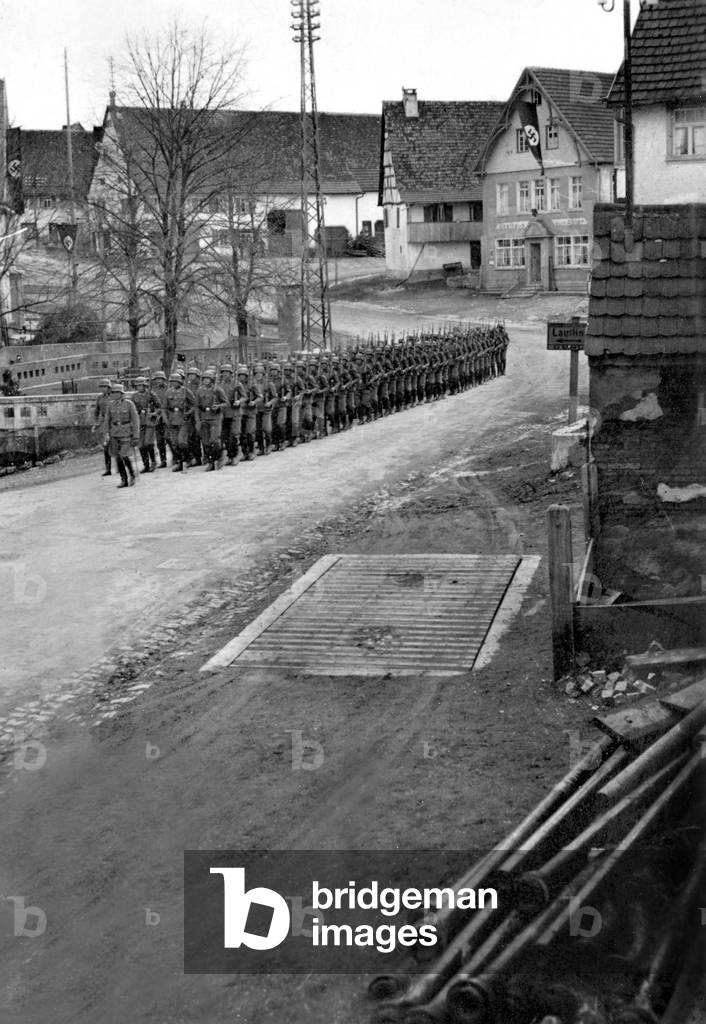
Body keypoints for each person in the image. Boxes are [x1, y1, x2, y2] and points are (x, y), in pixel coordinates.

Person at [105, 383, 140, 488]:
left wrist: (136, 436)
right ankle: (123, 479)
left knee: (124, 455)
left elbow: (136, 420)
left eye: (117, 393)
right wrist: (106, 434)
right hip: (114, 434)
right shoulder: (110, 405)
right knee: (117, 457)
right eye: (113, 393)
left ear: (121, 394)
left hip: (126, 433)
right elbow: (107, 420)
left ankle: (132, 475)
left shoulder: (129, 404)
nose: (114, 395)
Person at [194, 369, 228, 470]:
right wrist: (197, 420)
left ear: (212, 379)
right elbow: (196, 406)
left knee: (215, 440)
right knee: (206, 442)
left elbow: (226, 403)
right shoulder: (200, 390)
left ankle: (220, 457)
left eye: (208, 379)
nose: (205, 380)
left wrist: (218, 406)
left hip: (215, 418)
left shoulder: (217, 389)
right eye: (204, 379)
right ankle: (211, 462)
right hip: (204, 417)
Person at [164, 372, 194, 472]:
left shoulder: (186, 391)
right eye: (172, 382)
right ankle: (179, 462)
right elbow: (164, 407)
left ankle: (188, 459)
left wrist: (188, 412)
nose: (173, 383)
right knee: (175, 443)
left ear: (180, 382)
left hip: (183, 419)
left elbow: (194, 404)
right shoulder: (168, 392)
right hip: (172, 419)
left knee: (182, 442)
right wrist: (166, 419)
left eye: (175, 381)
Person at [131, 376, 161, 472]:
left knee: (148, 443)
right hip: (139, 422)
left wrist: (154, 413)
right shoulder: (134, 396)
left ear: (145, 386)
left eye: (141, 385)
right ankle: (146, 464)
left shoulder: (151, 395)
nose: (140, 387)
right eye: (138, 386)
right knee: (141, 445)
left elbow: (159, 407)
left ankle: (153, 462)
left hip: (149, 421)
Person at [92, 378, 114, 476]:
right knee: (106, 446)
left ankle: (120, 467)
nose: (103, 389)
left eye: (105, 387)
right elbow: (96, 411)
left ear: (109, 387)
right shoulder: (100, 398)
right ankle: (108, 469)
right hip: (105, 423)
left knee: (117, 445)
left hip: (114, 422)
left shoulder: (114, 396)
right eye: (101, 387)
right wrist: (96, 422)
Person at [151, 371, 169, 467]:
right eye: (156, 379)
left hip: (168, 416)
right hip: (158, 418)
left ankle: (177, 458)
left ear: (163, 379)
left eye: (160, 379)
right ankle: (163, 460)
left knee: (170, 439)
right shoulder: (153, 390)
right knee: (159, 441)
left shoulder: (169, 388)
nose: (158, 381)